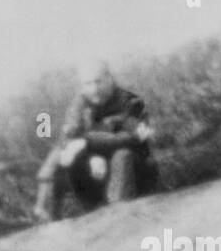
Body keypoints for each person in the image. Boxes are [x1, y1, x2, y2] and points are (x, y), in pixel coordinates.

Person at [33, 60, 158, 222]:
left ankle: (120, 214)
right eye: (88, 84)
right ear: (82, 86)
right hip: (97, 175)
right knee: (58, 154)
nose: (94, 89)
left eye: (98, 82)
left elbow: (134, 138)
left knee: (122, 155)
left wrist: (88, 144)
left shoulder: (130, 101)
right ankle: (46, 214)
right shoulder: (79, 104)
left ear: (110, 78)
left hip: (137, 172)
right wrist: (85, 154)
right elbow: (69, 135)